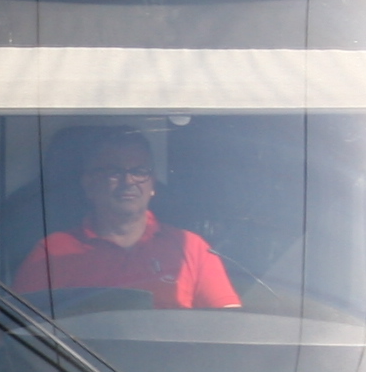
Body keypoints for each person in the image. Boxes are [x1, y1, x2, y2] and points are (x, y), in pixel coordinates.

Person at [12, 131, 241, 309]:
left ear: (152, 185)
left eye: (139, 171)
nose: (128, 181)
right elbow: (9, 339)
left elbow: (229, 328)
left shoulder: (191, 247)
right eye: (113, 171)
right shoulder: (52, 252)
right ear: (89, 184)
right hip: (83, 371)